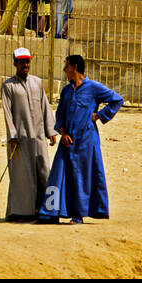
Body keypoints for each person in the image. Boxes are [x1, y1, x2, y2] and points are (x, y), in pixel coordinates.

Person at [37, 54, 124, 224]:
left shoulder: (93, 87)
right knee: (58, 175)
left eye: (66, 66)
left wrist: (99, 115)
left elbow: (117, 100)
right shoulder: (67, 90)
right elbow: (60, 114)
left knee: (82, 176)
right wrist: (63, 132)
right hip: (67, 141)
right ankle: (50, 213)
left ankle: (78, 215)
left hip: (86, 141)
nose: (64, 70)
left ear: (75, 67)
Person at [1, 48, 58, 221]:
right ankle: (20, 212)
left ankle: (44, 211)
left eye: (27, 61)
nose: (25, 64)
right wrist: (13, 135)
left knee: (43, 172)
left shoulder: (37, 82)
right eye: (21, 61)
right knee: (22, 176)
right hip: (20, 139)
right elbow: (7, 113)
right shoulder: (8, 86)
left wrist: (51, 131)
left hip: (39, 136)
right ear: (15, 63)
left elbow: (45, 106)